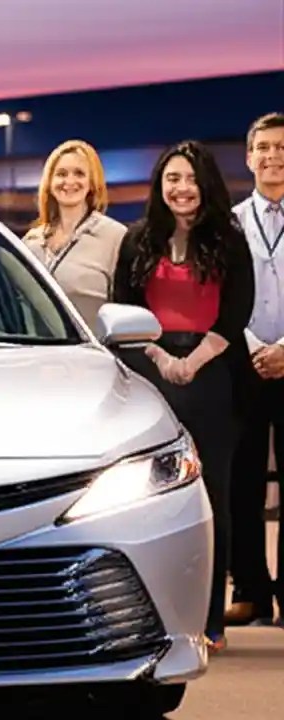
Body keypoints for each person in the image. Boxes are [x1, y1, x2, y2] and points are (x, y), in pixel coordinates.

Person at [110, 139, 253, 653]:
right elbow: (121, 307)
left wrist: (192, 361)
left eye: (190, 179)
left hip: (214, 373)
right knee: (146, 494)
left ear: (205, 184)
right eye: (173, 179)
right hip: (149, 369)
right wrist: (162, 358)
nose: (182, 188)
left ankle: (210, 620)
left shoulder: (228, 239)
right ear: (160, 186)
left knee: (211, 498)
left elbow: (237, 312)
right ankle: (146, 617)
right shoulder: (137, 239)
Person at [228, 111, 284, 627]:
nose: (273, 156)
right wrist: (251, 346)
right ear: (249, 157)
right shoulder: (230, 223)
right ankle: (249, 588)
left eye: (281, 147)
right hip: (244, 365)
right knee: (242, 480)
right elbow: (219, 296)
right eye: (263, 147)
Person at [20, 139, 127, 332]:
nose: (69, 182)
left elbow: (128, 311)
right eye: (61, 174)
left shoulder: (115, 237)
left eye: (79, 174)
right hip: (34, 355)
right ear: (50, 182)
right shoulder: (30, 242)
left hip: (91, 357)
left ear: (92, 183)